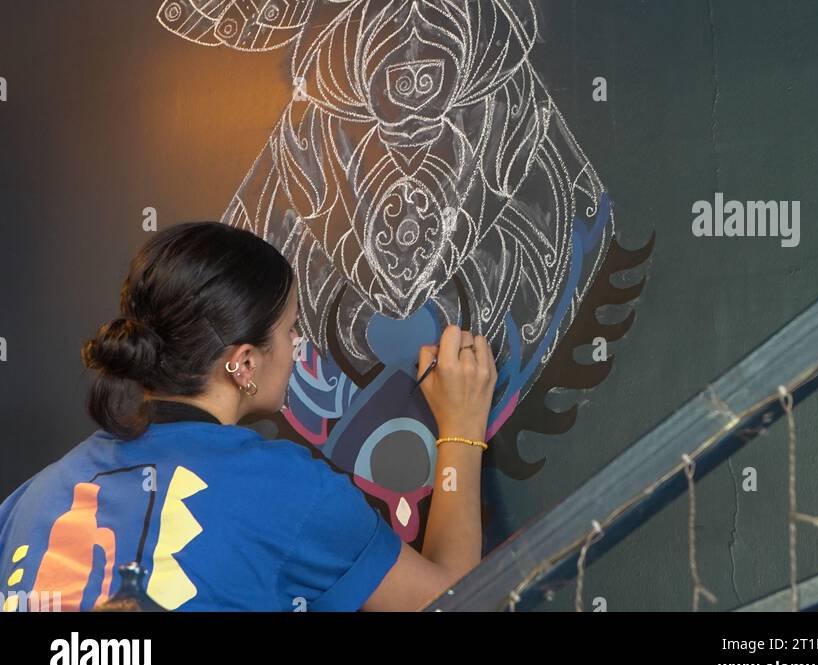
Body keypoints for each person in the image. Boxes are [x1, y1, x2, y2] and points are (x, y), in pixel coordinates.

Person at [0, 222, 497, 613]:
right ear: (243, 363)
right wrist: (462, 425)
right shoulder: (285, 487)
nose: (297, 347)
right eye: (291, 330)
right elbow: (454, 599)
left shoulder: (28, 501)